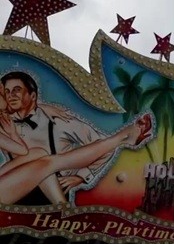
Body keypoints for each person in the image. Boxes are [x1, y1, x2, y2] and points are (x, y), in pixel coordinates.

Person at [0, 70, 152, 204]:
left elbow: (99, 145)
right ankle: (120, 138)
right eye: (7, 92)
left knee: (39, 154)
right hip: (14, 191)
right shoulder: (4, 123)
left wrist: (81, 176)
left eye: (16, 90)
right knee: (45, 162)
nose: (10, 96)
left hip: (51, 189)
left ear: (33, 96)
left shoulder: (60, 120)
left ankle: (62, 209)